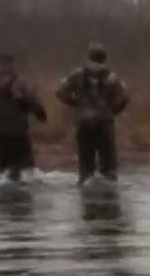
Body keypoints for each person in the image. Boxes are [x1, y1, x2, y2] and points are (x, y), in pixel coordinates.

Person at [55, 43, 130, 184]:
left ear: (88, 57)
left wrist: (75, 103)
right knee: (109, 169)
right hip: (105, 124)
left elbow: (59, 92)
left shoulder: (76, 74)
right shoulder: (112, 77)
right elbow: (125, 98)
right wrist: (112, 111)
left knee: (85, 167)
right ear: (105, 58)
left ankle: (86, 194)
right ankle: (108, 199)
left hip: (84, 123)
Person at [0, 53, 48, 180]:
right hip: (18, 131)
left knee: (3, 168)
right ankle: (19, 193)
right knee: (26, 168)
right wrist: (41, 116)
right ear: (11, 65)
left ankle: (3, 192)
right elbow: (34, 102)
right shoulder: (21, 82)